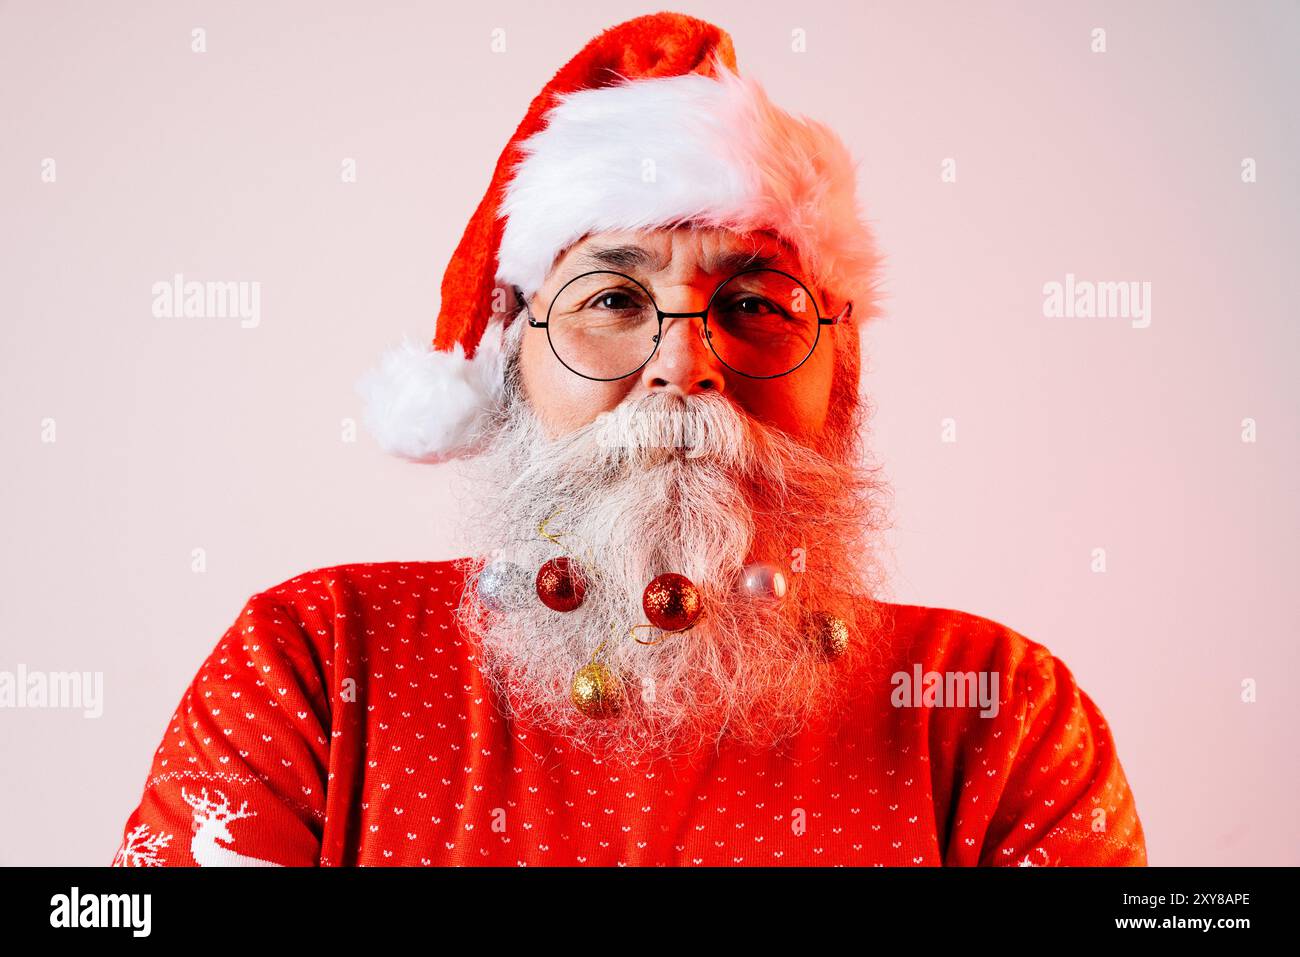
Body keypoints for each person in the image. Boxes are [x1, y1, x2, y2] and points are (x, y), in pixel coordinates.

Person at [111, 12, 1146, 867]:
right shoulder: (314, 666)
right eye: (612, 297)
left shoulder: (996, 718)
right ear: (513, 360)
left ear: (840, 382)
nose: (683, 365)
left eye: (756, 303)